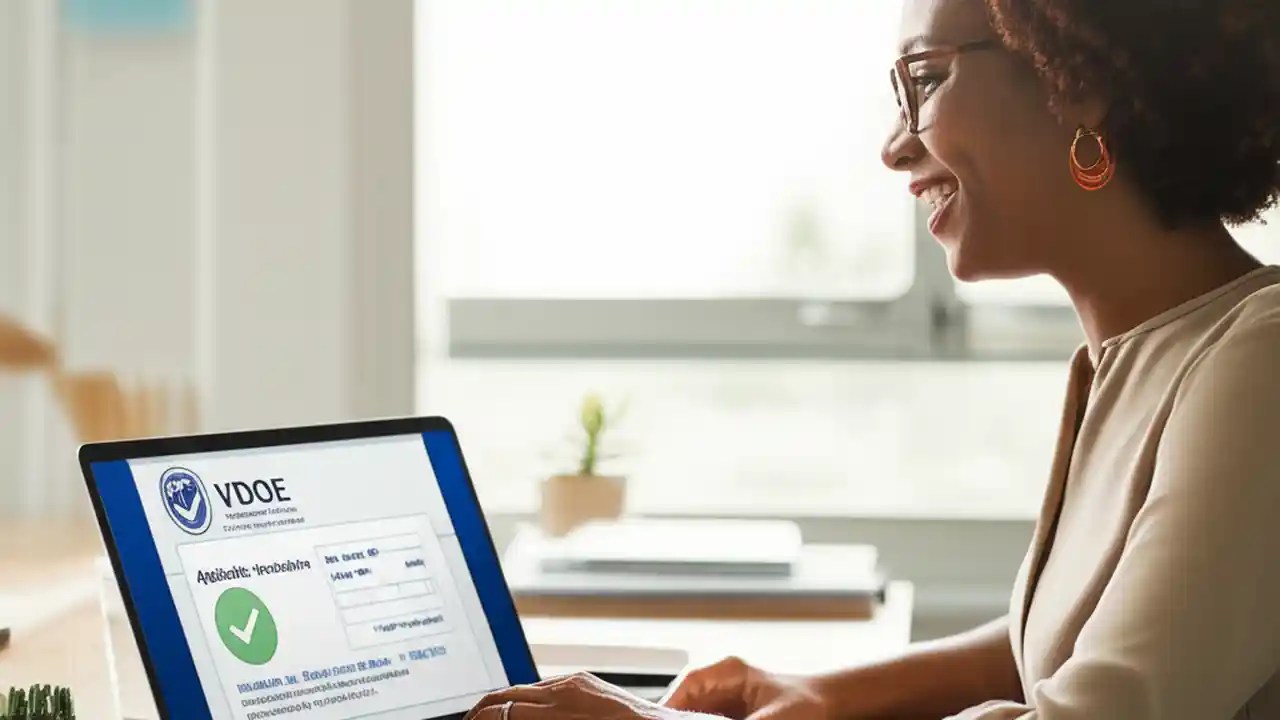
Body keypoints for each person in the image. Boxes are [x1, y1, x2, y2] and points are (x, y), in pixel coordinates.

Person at [467, 0, 1280, 716]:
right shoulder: (1136, 360)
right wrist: (824, 694)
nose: (895, 147)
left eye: (924, 81)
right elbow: (1065, 639)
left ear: (1082, 76)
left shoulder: (1259, 361)